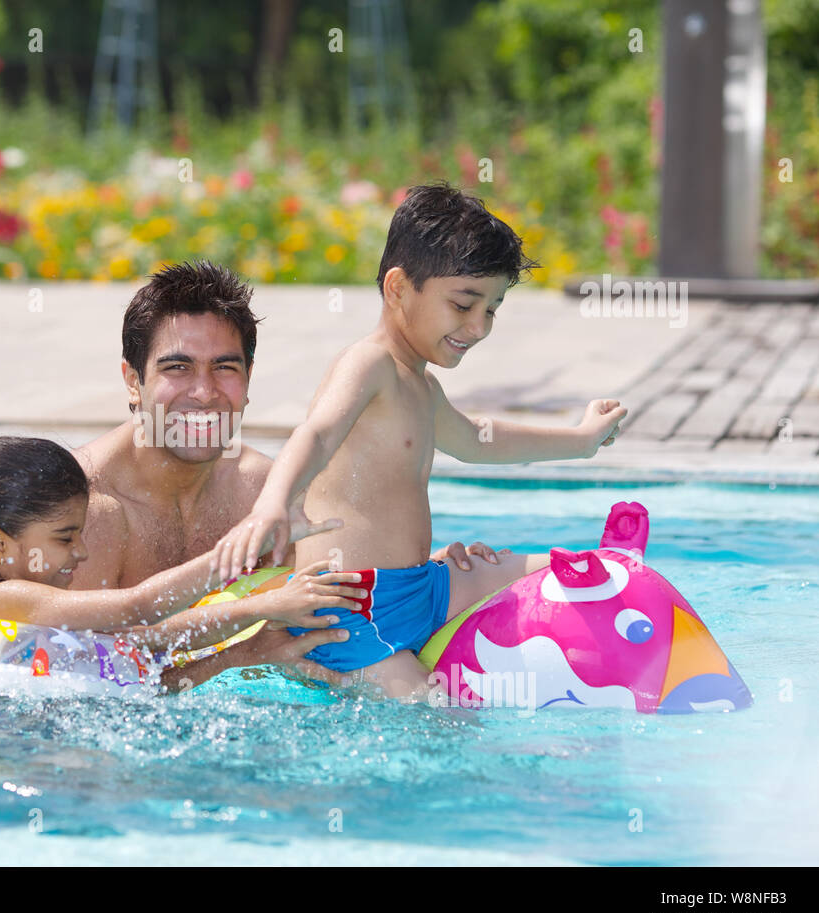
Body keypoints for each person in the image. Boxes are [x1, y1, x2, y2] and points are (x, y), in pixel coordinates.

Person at [209, 184, 628, 698]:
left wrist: (580, 440)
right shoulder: (368, 365)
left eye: (492, 310)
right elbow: (315, 434)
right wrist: (270, 505)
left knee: (575, 571)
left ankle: (616, 577)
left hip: (421, 590)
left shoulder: (423, 386)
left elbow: (478, 440)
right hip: (348, 610)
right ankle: (313, 667)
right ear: (399, 288)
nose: (478, 328)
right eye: (463, 304)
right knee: (442, 720)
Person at [69, 259, 501, 688]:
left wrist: (422, 568)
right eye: (177, 367)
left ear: (249, 378)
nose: (204, 393)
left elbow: (340, 574)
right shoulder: (85, 510)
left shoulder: (259, 489)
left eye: (225, 367)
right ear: (132, 379)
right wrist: (242, 655)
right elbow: (87, 675)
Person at [0, 435, 364, 670]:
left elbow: (147, 658)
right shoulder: (1, 601)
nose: (81, 551)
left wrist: (244, 653)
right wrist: (246, 557)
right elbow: (136, 608)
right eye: (64, 537)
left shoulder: (42, 614)